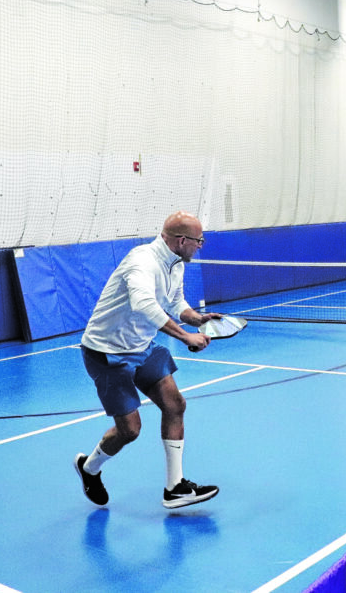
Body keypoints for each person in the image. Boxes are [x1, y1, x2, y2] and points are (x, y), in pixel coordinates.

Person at [74, 211, 222, 510]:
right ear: (181, 240)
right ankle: (89, 468)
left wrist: (196, 318)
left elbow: (175, 301)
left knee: (175, 405)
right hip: (107, 351)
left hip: (142, 344)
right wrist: (185, 336)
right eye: (199, 240)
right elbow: (144, 304)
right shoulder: (142, 261)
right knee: (129, 430)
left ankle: (175, 488)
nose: (200, 246)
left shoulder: (176, 263)